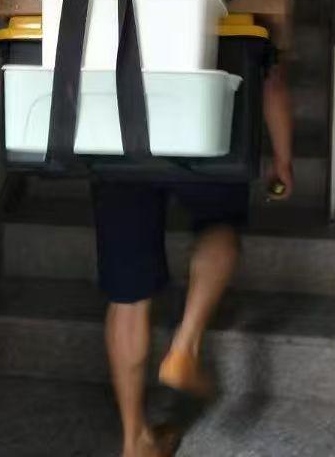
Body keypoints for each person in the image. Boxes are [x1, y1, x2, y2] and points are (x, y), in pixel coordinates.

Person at [90, 62, 295, 457]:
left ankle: (135, 440)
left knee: (127, 297)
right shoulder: (249, 10)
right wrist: (283, 158)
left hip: (119, 125)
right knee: (220, 224)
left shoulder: (110, 13)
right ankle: (185, 346)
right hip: (207, 117)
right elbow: (272, 78)